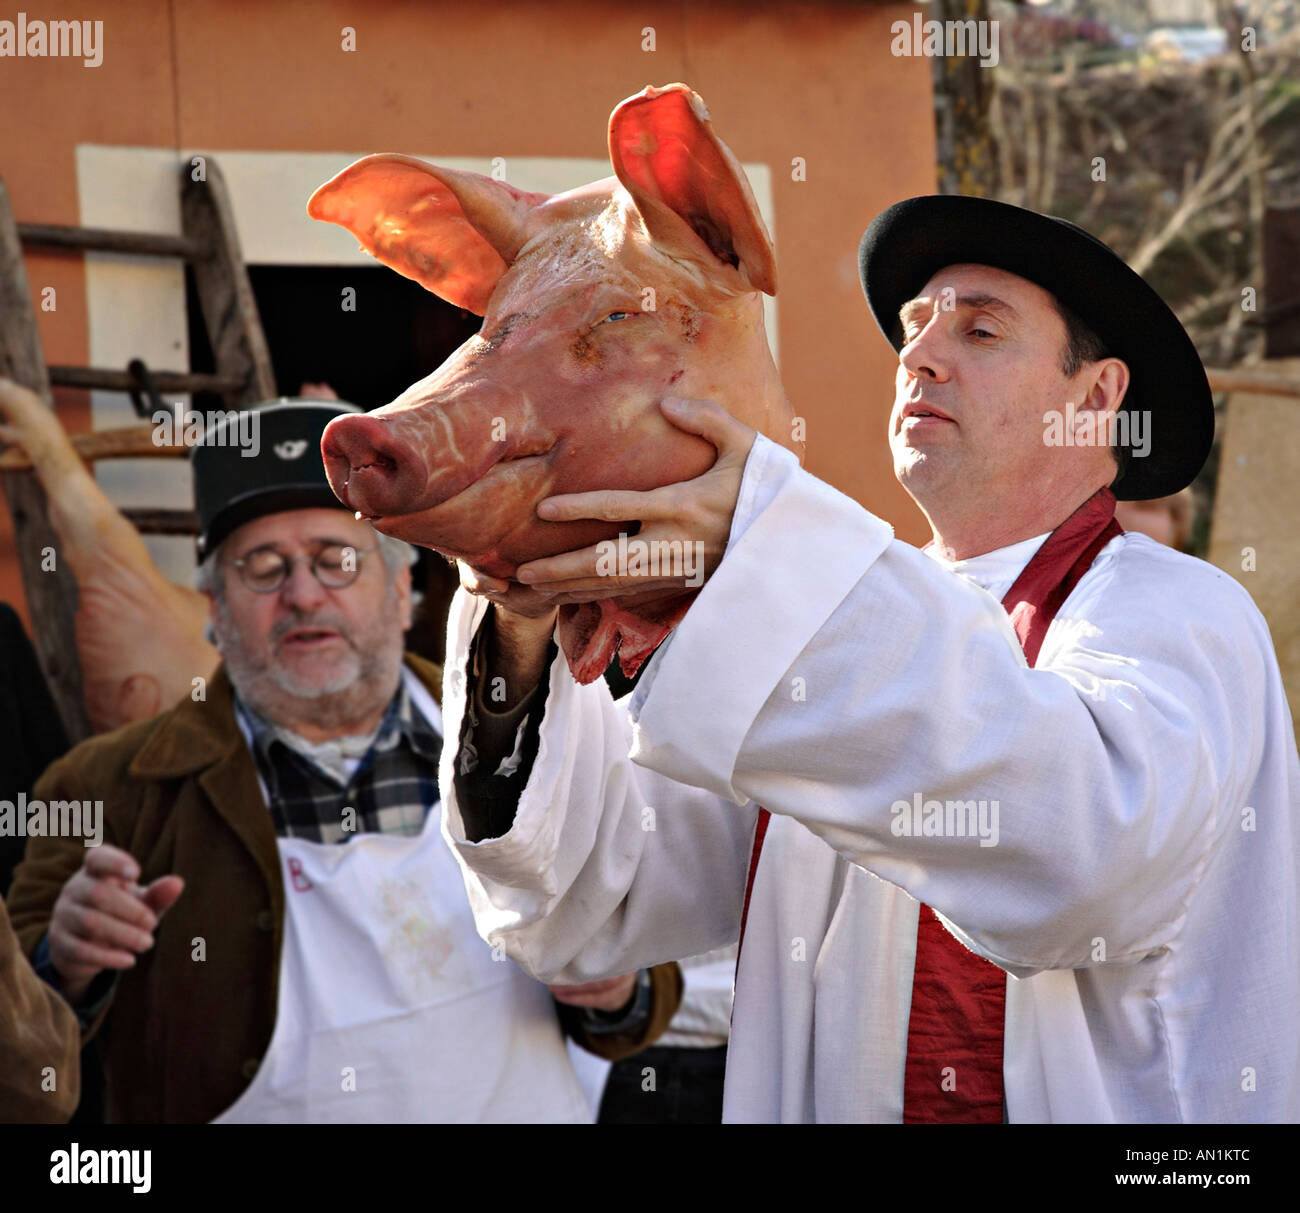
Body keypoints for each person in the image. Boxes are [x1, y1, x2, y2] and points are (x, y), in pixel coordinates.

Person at [439, 195, 1300, 1123]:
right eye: (914, 328)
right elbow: (583, 904)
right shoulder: (830, 631)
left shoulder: (1178, 610)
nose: (920, 355)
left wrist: (774, 545)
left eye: (980, 329)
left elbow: (1080, 868)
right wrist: (514, 621)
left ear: (1095, 398)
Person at [5, 399, 678, 1123]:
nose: (301, 594)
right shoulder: (105, 789)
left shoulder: (542, 735)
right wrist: (66, 967)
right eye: (261, 569)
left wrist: (617, 990)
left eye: (335, 561)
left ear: (399, 590)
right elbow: (28, 1066)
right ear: (214, 609)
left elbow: (645, 977)